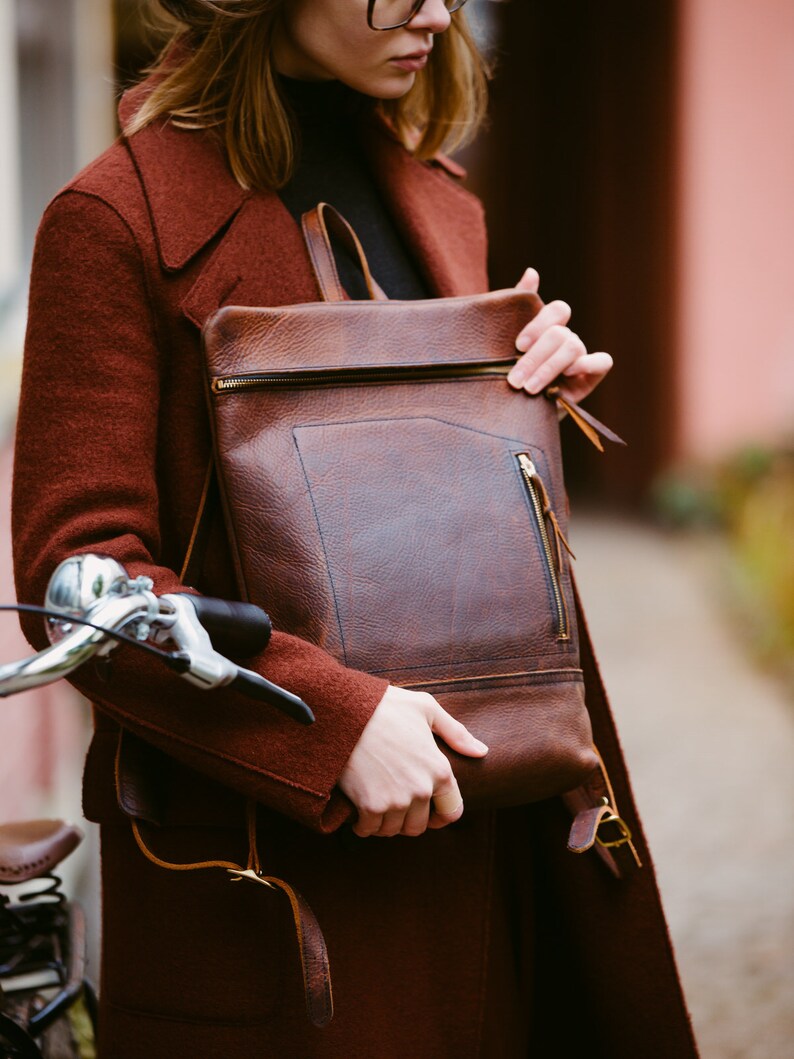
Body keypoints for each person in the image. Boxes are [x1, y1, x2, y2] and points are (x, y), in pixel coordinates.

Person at [12, 1, 699, 1056]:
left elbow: (400, 500)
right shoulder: (115, 220)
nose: (435, 10)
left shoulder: (433, 193)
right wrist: (327, 727)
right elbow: (79, 577)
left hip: (493, 831)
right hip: (275, 888)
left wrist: (508, 393)